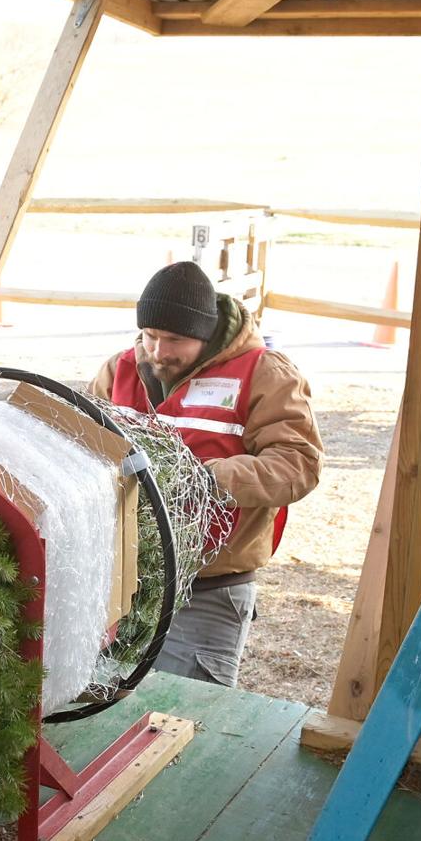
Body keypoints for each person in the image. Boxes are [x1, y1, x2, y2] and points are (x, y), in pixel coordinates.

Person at [89, 260, 323, 688]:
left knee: (191, 712)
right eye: (151, 336)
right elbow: (81, 442)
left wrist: (205, 479)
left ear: (207, 332)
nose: (159, 352)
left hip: (209, 587)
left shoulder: (265, 374)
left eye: (176, 339)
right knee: (107, 705)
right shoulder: (118, 370)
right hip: (124, 584)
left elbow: (299, 464)